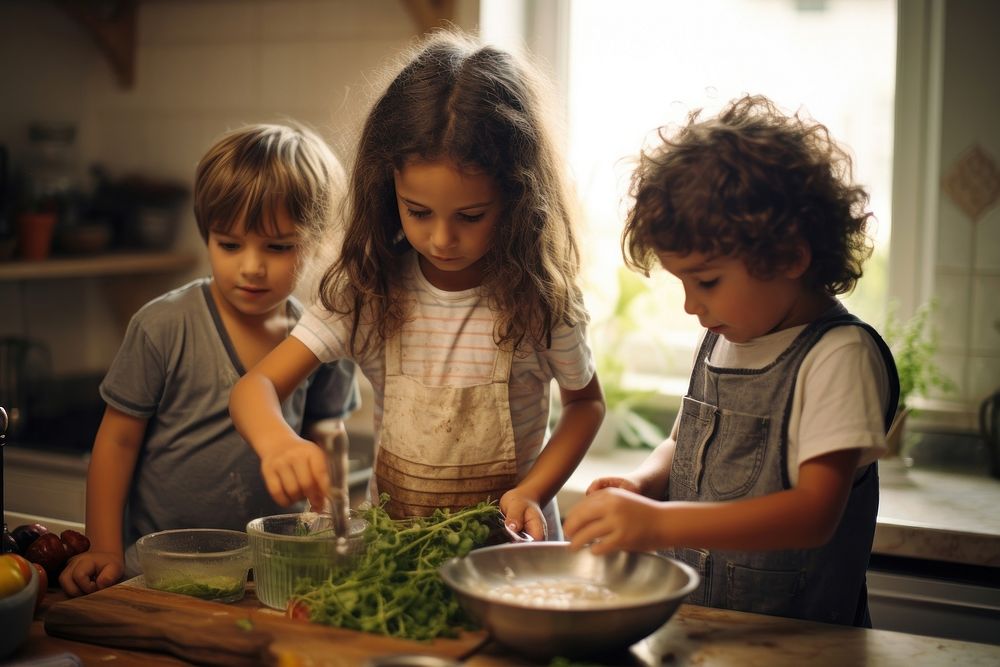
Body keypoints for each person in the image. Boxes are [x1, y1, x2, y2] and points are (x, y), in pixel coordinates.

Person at [229, 31, 604, 542]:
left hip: (513, 552)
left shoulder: (540, 299)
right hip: (397, 551)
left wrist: (534, 490)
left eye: (470, 216)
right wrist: (278, 443)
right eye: (418, 212)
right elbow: (256, 387)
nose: (442, 238)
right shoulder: (369, 290)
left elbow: (586, 404)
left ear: (517, 197)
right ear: (388, 191)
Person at [562, 95, 900, 627]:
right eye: (684, 284)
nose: (692, 305)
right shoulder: (728, 335)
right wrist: (641, 485)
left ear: (790, 255)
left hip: (802, 646)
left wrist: (660, 524)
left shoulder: (838, 357)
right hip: (705, 629)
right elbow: (682, 446)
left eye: (708, 282)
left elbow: (814, 514)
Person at [59, 123, 359, 596]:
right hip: (154, 571)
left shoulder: (320, 340)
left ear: (318, 241)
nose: (252, 266)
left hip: (266, 575)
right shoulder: (162, 325)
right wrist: (104, 548)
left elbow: (327, 431)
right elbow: (116, 441)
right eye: (230, 244)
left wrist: (331, 510)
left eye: (279, 247)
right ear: (207, 236)